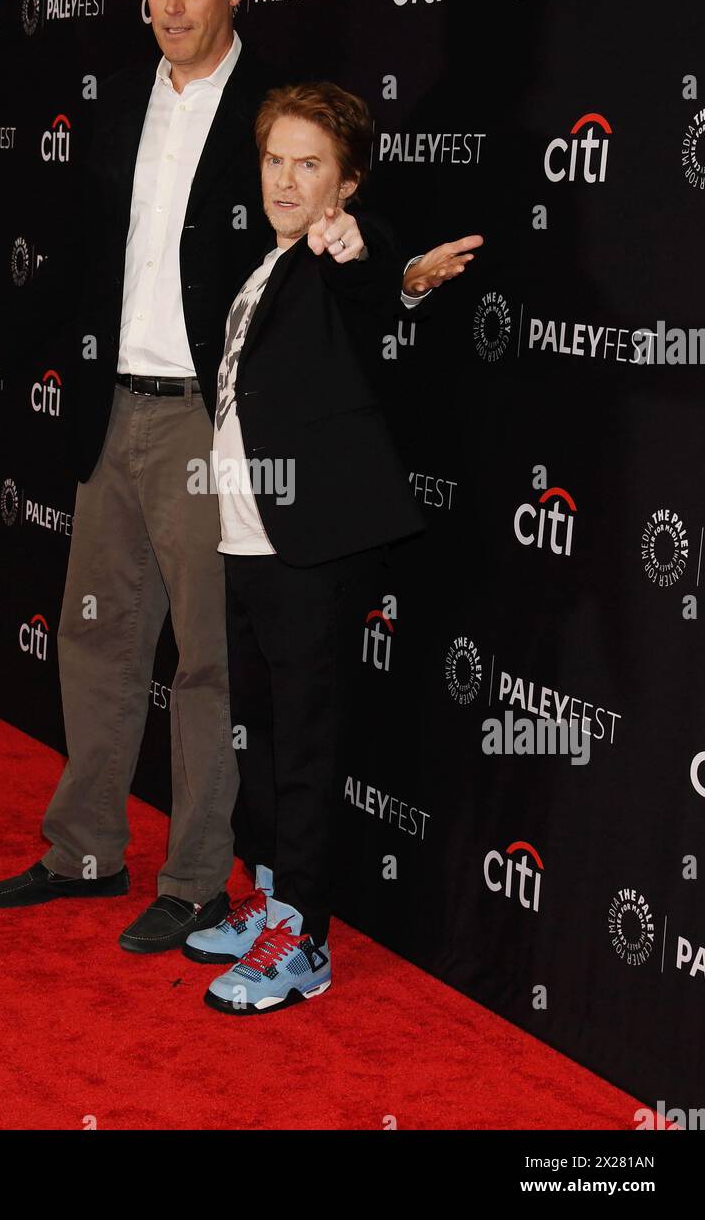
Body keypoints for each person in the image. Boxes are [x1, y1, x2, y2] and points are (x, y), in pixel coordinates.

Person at [0, 0, 482, 955]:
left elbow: (346, 216)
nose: (170, 1)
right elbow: (77, 254)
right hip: (108, 407)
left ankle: (198, 880)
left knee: (208, 662)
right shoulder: (119, 100)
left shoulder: (271, 109)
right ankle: (83, 850)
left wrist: (382, 258)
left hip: (208, 428)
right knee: (95, 638)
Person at [183, 82, 462, 1013]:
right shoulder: (262, 269)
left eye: (310, 164)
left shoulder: (333, 253)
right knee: (259, 738)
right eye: (275, 160)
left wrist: (380, 259)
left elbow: (371, 270)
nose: (288, 180)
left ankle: (304, 942)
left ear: (346, 181)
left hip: (312, 549)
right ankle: (270, 903)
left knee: (303, 744)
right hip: (246, 540)